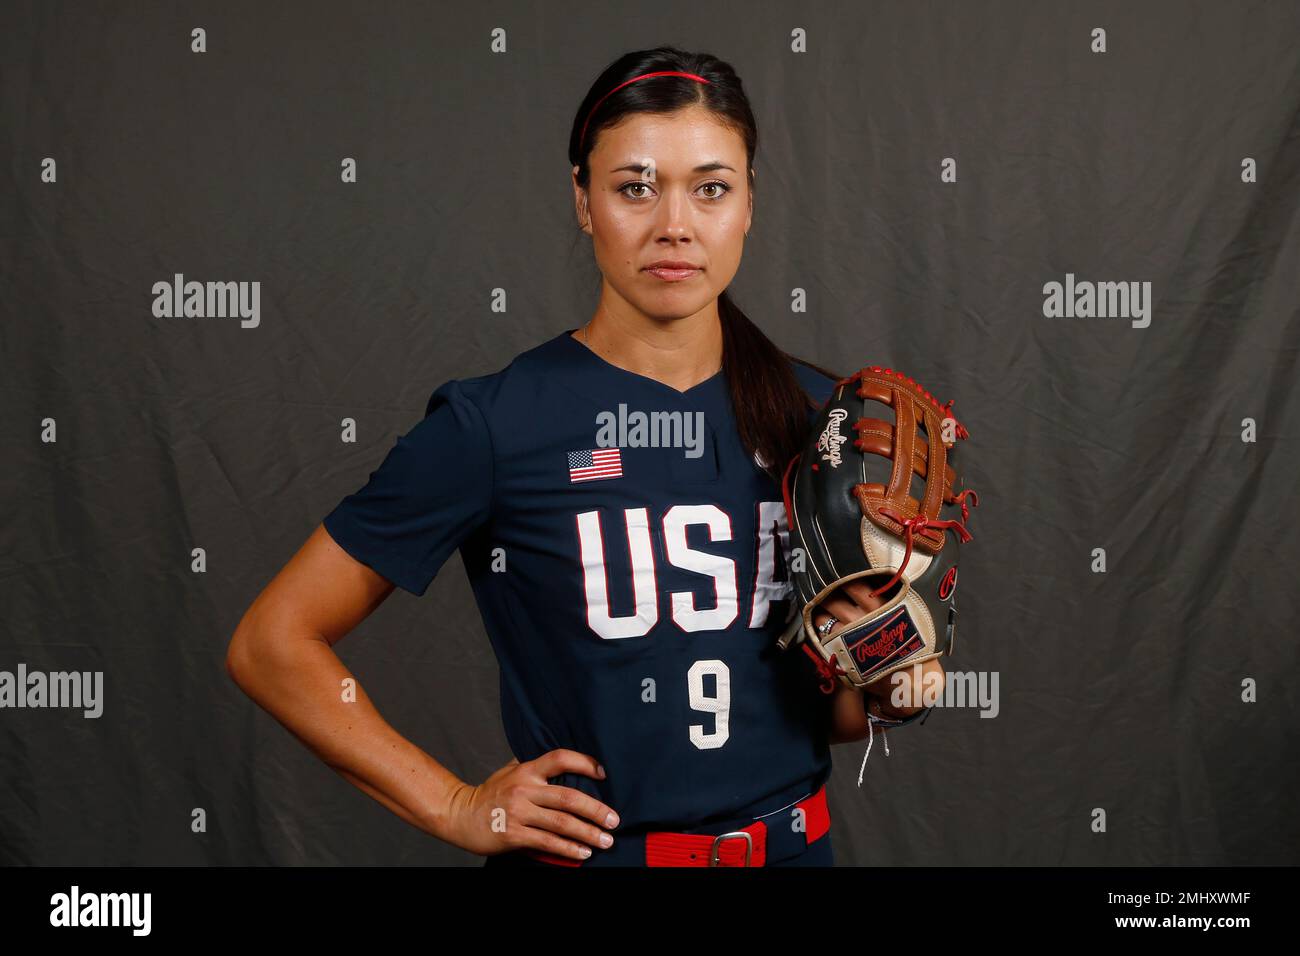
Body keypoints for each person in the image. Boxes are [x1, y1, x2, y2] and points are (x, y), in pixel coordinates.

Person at [225, 45, 943, 868]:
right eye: (635, 186)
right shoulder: (496, 424)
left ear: (749, 203)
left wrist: (892, 674)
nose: (674, 224)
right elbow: (273, 642)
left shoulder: (823, 419)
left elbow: (842, 718)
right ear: (582, 199)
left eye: (711, 187)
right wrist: (456, 805)